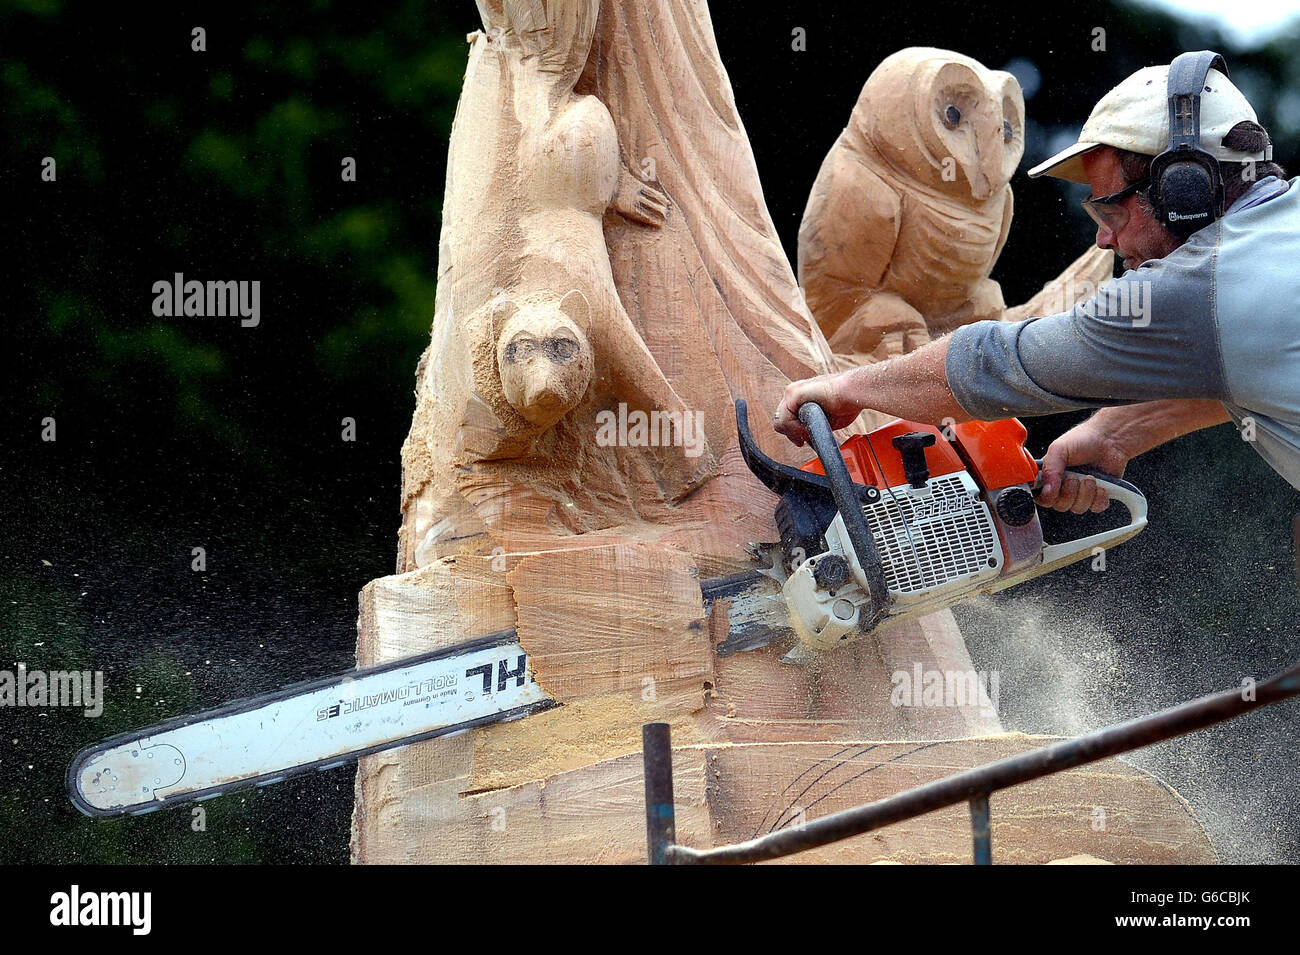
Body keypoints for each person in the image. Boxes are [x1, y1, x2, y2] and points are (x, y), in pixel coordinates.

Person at [774, 53, 1297, 513]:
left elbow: (997, 363)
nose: (1103, 241)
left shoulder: (1203, 289)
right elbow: (1238, 366)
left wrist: (850, 387)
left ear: (1184, 189)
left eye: (1109, 209)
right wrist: (1113, 433)